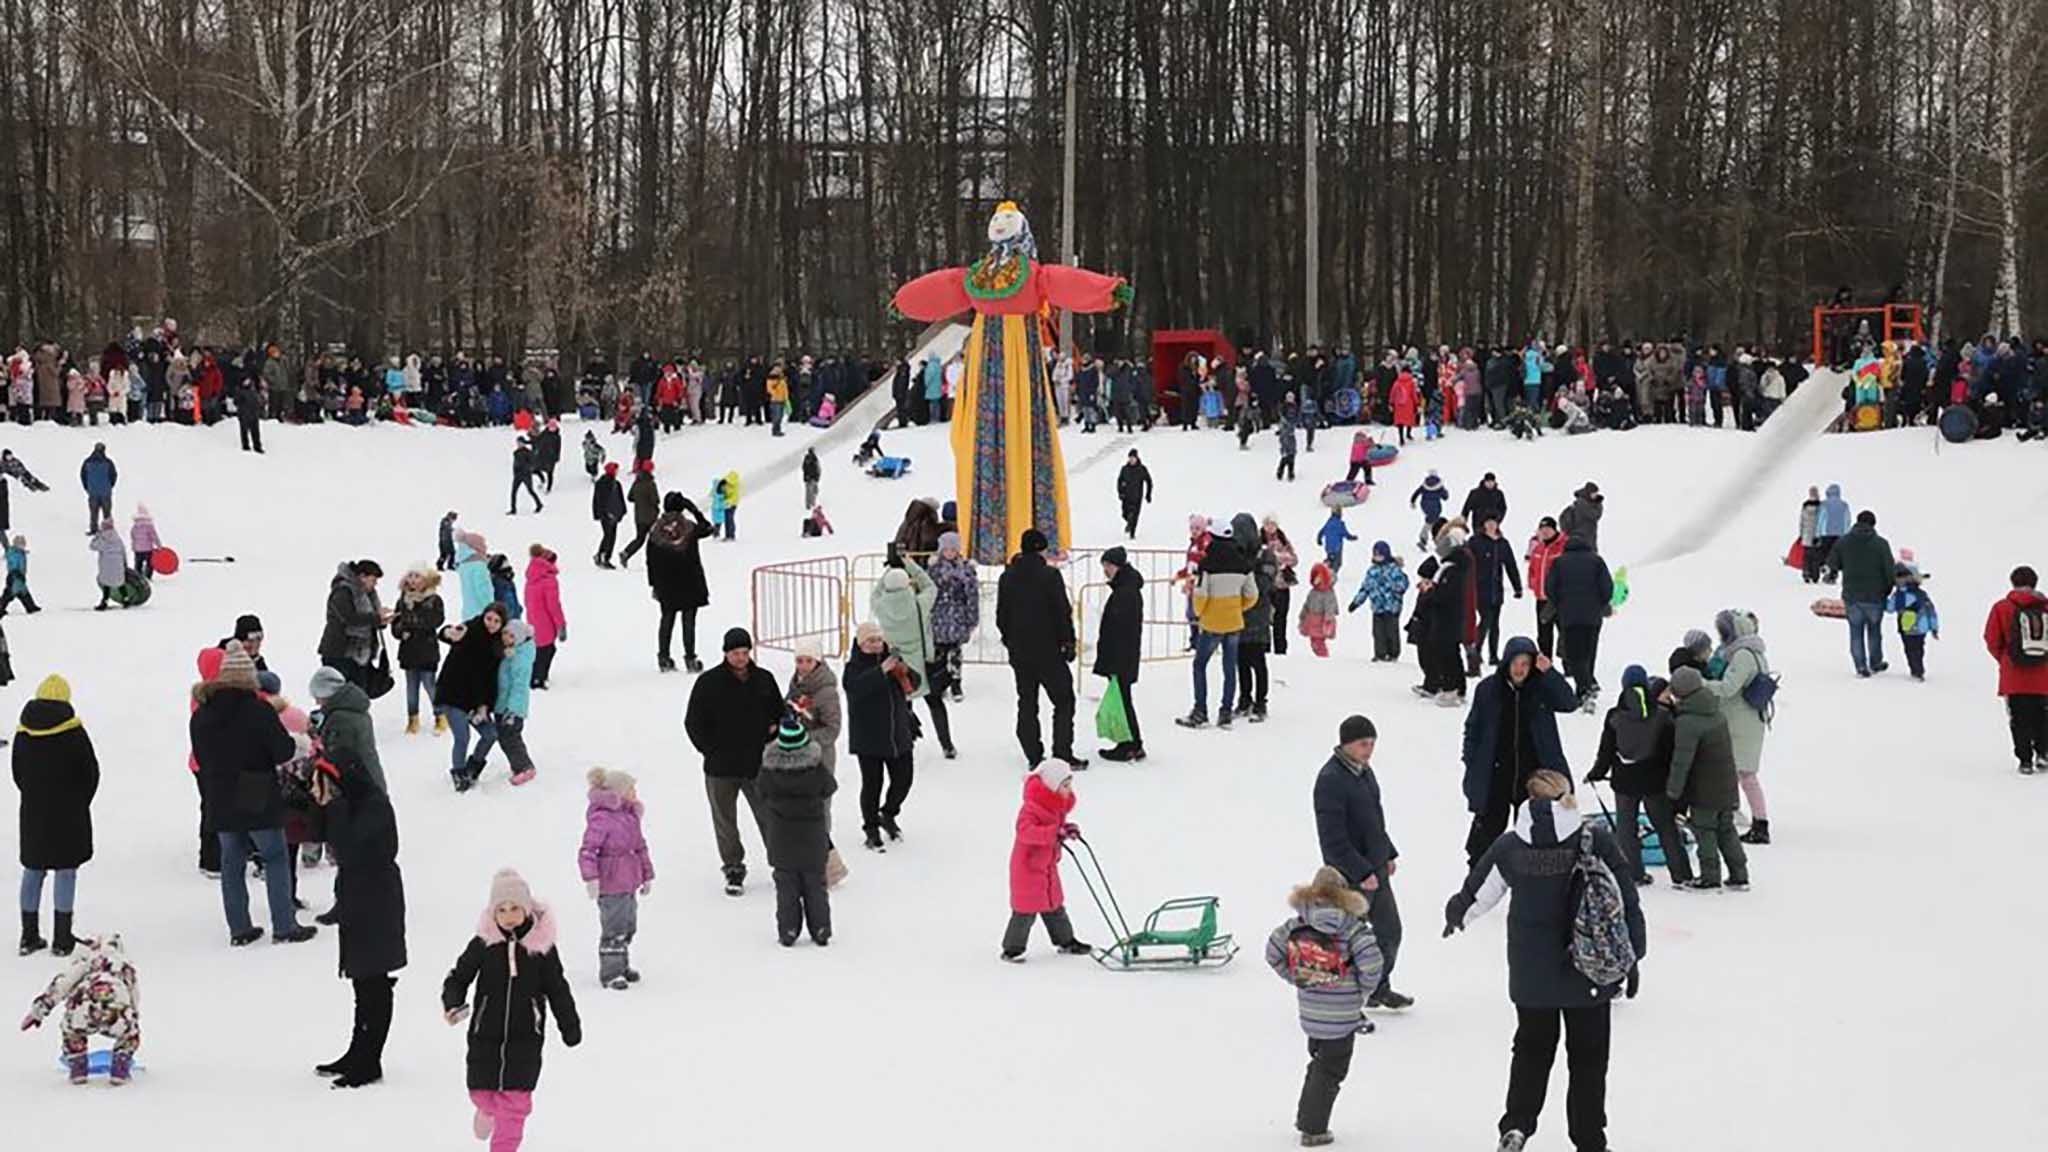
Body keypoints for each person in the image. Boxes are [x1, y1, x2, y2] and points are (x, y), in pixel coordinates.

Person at [1444, 769, 1645, 1152]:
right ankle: (1589, 1140)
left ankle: (1517, 1125)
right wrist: (1634, 953)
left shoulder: (1511, 846)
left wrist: (1456, 916)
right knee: (1587, 1059)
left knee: (1532, 1051)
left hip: (1531, 971)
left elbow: (1478, 893)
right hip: (1590, 966)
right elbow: (1624, 897)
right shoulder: (1594, 839)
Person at [441, 870, 581, 1152]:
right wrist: (453, 1001)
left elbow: (558, 989)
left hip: (525, 1039)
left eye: (515, 908)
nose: (508, 916)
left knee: (515, 1106)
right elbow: (458, 976)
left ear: (526, 908)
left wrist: (570, 1025)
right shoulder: (484, 943)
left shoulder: (541, 948)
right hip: (485, 1035)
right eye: (501, 910)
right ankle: (487, 1111)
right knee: (481, 1094)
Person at [192, 642, 315, 945]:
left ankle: (240, 929)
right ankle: (284, 926)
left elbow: (202, 757)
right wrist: (297, 742)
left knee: (231, 862)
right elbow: (281, 750)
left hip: (219, 791)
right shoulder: (257, 710)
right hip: (255, 788)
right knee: (274, 857)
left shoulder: (202, 714)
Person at [1264, 866, 1384, 1148]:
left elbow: (1272, 953)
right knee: (1331, 1071)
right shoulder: (1353, 927)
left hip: (1311, 1015)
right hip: (1342, 1017)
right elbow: (1373, 965)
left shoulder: (1297, 925)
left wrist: (1297, 979)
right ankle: (1313, 1129)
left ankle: (1307, 1116)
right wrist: (1360, 993)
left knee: (1320, 1063)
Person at [312, 747, 406, 1089]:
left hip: (376, 899)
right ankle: (358, 1051)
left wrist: (333, 807)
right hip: (359, 896)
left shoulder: (373, 805)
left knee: (374, 981)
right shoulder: (356, 802)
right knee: (362, 981)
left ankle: (370, 1060)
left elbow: (349, 847)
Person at [1313, 715, 1409, 1010]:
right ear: (1346, 744)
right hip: (1351, 877)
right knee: (1347, 943)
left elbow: (1373, 820)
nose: (1369, 750)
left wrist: (1388, 852)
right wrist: (1361, 871)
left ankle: (1377, 987)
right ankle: (1344, 999)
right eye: (1363, 744)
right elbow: (1332, 840)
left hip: (1376, 871)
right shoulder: (1330, 780)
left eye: (1372, 744)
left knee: (1390, 932)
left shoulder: (1364, 772)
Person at [1460, 637, 1577, 866]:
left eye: (1525, 664)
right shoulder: (1488, 689)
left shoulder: (1542, 688)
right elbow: (1473, 728)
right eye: (1515, 663)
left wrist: (1550, 672)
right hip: (1495, 773)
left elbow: (1569, 702)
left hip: (1533, 776)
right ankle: (1478, 877)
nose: (1519, 669)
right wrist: (1471, 761)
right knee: (1485, 835)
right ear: (1506, 663)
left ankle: (1529, 876)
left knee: (1533, 833)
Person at [683, 628, 782, 894]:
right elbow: (693, 723)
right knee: (725, 821)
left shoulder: (764, 679)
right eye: (735, 653)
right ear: (726, 653)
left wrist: (774, 733)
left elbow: (779, 714)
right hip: (720, 768)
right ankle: (733, 867)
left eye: (744, 652)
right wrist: (710, 750)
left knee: (769, 816)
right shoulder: (709, 682)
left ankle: (781, 864)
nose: (740, 658)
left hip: (757, 764)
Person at [14, 674, 98, 957]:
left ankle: (28, 934)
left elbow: (18, 773)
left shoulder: (23, 732)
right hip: (69, 811)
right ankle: (62, 937)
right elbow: (90, 773)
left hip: (34, 811)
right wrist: (79, 801)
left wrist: (33, 795)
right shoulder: (73, 732)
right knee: (65, 870)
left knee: (33, 869)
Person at [1586, 665, 1693, 886]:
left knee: (1626, 829)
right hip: (1654, 783)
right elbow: (1669, 753)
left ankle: (1634, 874)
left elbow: (1606, 751)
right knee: (1666, 828)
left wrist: (1596, 773)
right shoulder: (1663, 716)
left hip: (1624, 783)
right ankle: (1681, 875)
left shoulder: (1614, 716)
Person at [995, 528, 1081, 766]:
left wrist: (1009, 639)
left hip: (1020, 652)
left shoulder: (1007, 577)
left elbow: (1001, 616)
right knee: (1064, 701)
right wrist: (1068, 642)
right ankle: (1062, 753)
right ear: (1041, 549)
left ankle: (1033, 754)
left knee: (1027, 701)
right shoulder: (1050, 576)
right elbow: (1062, 612)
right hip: (1049, 651)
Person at [1664, 667, 1750, 891]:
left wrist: (1673, 792)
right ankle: (1739, 874)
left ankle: (1710, 877)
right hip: (1726, 784)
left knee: (1705, 831)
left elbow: (1681, 761)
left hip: (1705, 789)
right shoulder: (1715, 711)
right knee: (1726, 830)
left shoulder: (1688, 723)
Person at [1001, 758, 1091, 961]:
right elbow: (1026, 831)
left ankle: (1065, 940)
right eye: (1065, 785)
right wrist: (1054, 832)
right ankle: (1012, 949)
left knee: (1054, 906)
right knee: (1025, 911)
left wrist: (1067, 830)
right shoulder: (1032, 808)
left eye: (1070, 785)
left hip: (1047, 866)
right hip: (1027, 868)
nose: (1069, 790)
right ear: (1051, 786)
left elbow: (1056, 830)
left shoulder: (1055, 807)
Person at [757, 714, 835, 946]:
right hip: (812, 840)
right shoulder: (815, 770)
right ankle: (820, 929)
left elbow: (761, 793)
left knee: (786, 887)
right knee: (815, 886)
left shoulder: (769, 772)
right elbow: (830, 787)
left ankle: (788, 930)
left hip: (781, 840)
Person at [22, 932, 141, 1085]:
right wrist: (132, 1019)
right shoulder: (124, 965)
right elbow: (134, 995)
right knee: (129, 1033)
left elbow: (61, 985)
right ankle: (121, 1065)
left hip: (83, 1008)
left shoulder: (85, 961)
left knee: (71, 1029)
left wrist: (38, 1011)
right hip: (116, 1009)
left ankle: (78, 1065)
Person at [843, 622, 920, 851]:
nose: (876, 645)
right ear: (861, 644)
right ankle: (871, 828)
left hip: (898, 734)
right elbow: (855, 688)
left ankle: (888, 813)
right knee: (872, 785)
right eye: (870, 641)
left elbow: (915, 683)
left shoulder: (892, 660)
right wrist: (881, 671)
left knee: (904, 779)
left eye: (878, 640)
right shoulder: (854, 667)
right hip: (869, 738)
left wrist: (905, 671)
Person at [1180, 513, 1258, 729]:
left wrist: (1200, 613)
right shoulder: (1243, 564)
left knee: (1199, 665)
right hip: (1234, 623)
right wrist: (1236, 607)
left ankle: (1200, 711)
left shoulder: (1208, 564)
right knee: (1229, 668)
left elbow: (1201, 596)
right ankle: (1225, 713)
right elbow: (1252, 595)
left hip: (1212, 623)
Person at [578, 768, 655, 987]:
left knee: (628, 925)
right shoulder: (601, 818)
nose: (635, 792)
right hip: (611, 882)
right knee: (614, 927)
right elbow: (588, 850)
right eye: (631, 788)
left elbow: (640, 847)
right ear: (619, 792)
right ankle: (611, 973)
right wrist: (591, 878)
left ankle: (621, 964)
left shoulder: (630, 817)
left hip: (629, 880)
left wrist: (647, 875)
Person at [872, 556, 953, 757]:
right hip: (922, 662)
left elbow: (876, 592)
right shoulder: (918, 604)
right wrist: (908, 563)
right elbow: (930, 586)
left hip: (896, 663)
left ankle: (903, 745)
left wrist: (890, 570)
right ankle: (947, 745)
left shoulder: (880, 606)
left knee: (901, 705)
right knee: (935, 702)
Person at [1706, 609, 1774, 845]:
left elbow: (1728, 688)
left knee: (1743, 774)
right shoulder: (1754, 652)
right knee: (1740, 774)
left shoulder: (1742, 655)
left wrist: (1701, 684)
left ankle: (1756, 823)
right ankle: (1746, 819)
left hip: (1740, 723)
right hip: (1748, 720)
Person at [1983, 565, 2048, 775]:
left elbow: (1991, 639)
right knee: (2043, 716)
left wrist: (2005, 659)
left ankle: (2025, 760)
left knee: (2019, 719)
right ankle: (2044, 754)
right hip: (2044, 677)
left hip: (2014, 677)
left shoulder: (2002, 608)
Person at [435, 604, 506, 790]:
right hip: (453, 694)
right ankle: (459, 774)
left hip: (476, 700)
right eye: (489, 618)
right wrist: (448, 632)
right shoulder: (471, 630)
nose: (491, 624)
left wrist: (484, 706)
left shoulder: (497, 645)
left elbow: (490, 681)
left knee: (490, 734)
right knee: (462, 737)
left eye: (496, 621)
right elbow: (447, 634)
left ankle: (473, 768)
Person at [1822, 509, 1896, 677]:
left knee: (1855, 632)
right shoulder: (1881, 544)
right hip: (1875, 597)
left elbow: (1833, 562)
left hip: (1852, 596)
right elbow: (1889, 571)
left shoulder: (1844, 542)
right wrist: (1887, 589)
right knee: (1875, 631)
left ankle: (1860, 666)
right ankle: (1876, 662)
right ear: (1873, 524)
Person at [645, 492, 713, 673]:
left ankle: (664, 657)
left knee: (667, 619)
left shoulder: (656, 530)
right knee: (688, 621)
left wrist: (653, 584)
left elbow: (650, 560)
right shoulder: (689, 527)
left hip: (666, 584)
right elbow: (707, 528)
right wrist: (695, 510)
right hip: (690, 581)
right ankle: (690, 658)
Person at [1545, 533, 1613, 707]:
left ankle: (1584, 688)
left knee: (1575, 655)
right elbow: (1607, 587)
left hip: (1569, 616)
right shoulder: (1597, 561)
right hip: (1592, 616)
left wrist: (1561, 603)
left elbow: (1550, 588)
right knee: (1589, 652)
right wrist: (1600, 603)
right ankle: (1587, 685)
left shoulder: (1559, 563)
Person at [1093, 547, 1145, 761]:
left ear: (1115, 566)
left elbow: (1120, 629)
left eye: (1106, 566)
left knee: (1123, 701)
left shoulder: (1125, 592)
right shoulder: (1126, 588)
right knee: (1124, 699)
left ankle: (1131, 744)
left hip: (1121, 657)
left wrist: (1112, 660)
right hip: (1124, 656)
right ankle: (1130, 742)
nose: (1105, 571)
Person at [392, 568, 447, 735]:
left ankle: (441, 715)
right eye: (410, 575)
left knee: (430, 685)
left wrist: (411, 618)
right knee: (411, 687)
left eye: (418, 576)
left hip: (427, 650)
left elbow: (433, 621)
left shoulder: (433, 600)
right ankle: (412, 718)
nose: (413, 580)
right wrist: (401, 630)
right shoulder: (403, 600)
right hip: (408, 651)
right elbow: (395, 624)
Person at [1234, 514, 1278, 722]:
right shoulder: (1237, 554)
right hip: (1239, 614)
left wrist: (1248, 576)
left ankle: (1261, 702)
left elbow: (1266, 583)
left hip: (1258, 614)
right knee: (1241, 660)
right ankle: (1244, 698)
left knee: (1258, 661)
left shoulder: (1265, 555)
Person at [319, 560, 388, 689]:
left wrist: (381, 620)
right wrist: (376, 618)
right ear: (362, 577)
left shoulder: (369, 595)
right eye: (373, 580)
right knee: (337, 693)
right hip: (339, 651)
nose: (375, 584)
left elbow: (370, 619)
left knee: (358, 694)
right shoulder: (342, 590)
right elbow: (349, 617)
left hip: (361, 654)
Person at [927, 532, 978, 704]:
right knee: (938, 652)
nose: (949, 552)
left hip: (957, 616)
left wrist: (972, 617)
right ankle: (938, 682)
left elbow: (972, 596)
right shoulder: (933, 570)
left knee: (955, 652)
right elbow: (928, 593)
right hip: (939, 617)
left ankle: (956, 682)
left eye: (953, 549)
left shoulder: (965, 569)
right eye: (946, 549)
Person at [1468, 516, 1524, 668]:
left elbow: (1510, 565)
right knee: (1486, 619)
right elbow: (1467, 562)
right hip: (1480, 588)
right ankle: (1476, 651)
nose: (1492, 525)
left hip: (1496, 589)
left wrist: (1517, 586)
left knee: (1495, 623)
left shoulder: (1503, 543)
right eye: (1489, 522)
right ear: (1484, 524)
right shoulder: (1475, 542)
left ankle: (1493, 655)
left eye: (1494, 523)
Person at [491, 621, 540, 786]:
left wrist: (512, 710)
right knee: (505, 738)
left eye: (511, 636)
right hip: (502, 705)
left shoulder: (521, 659)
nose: (506, 637)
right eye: (505, 633)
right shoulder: (511, 653)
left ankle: (525, 767)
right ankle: (517, 764)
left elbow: (519, 686)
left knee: (511, 738)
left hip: (513, 708)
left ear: (519, 638)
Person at [1348, 542, 1409, 661]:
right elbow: (1365, 588)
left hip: (1391, 607)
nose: (1377, 558)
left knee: (1391, 632)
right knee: (1378, 632)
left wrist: (1395, 587)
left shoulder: (1394, 569)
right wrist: (1356, 602)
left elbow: (1403, 585)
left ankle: (1393, 653)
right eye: (1375, 555)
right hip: (1377, 607)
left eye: (1380, 555)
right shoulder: (1372, 571)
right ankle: (1380, 654)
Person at [1888, 559, 1939, 682]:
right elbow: (1930, 610)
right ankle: (1918, 669)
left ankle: (1916, 669)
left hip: (1907, 627)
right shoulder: (1921, 594)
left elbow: (1890, 608)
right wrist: (1934, 627)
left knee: (1910, 649)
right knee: (1919, 648)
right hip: (1921, 627)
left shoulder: (1899, 595)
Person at [1524, 517, 1567, 659]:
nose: (1545, 532)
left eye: (1548, 529)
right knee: (1543, 635)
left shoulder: (1563, 546)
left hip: (1559, 600)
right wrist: (1533, 583)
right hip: (1541, 598)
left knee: (1564, 632)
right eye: (1542, 529)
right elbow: (1532, 570)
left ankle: (1569, 666)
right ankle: (1545, 665)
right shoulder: (1538, 548)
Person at [524, 546, 566, 689]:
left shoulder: (532, 576)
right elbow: (554, 605)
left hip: (533, 619)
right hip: (545, 621)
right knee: (547, 650)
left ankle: (536, 676)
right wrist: (561, 624)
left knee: (540, 650)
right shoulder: (548, 580)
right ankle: (538, 679)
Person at [617, 462, 661, 567]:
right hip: (651, 516)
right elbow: (656, 500)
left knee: (640, 539)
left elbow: (630, 497)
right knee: (654, 540)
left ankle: (626, 552)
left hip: (639, 516)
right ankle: (653, 561)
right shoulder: (650, 483)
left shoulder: (637, 483)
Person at [1299, 561, 1340, 658]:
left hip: (1321, 621)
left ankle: (1323, 657)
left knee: (1318, 642)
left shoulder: (1327, 593)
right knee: (1314, 641)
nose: (1316, 580)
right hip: (1312, 619)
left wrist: (1328, 620)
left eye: (1319, 577)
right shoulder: (1313, 592)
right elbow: (1307, 604)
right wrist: (1303, 614)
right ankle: (1320, 656)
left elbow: (1329, 607)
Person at [591, 463, 626, 569]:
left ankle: (601, 555)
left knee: (609, 535)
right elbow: (600, 500)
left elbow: (597, 500)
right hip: (608, 514)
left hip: (608, 514)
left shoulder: (607, 483)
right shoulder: (609, 483)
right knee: (609, 536)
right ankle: (604, 557)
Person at [1814, 482, 1851, 581]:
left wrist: (1817, 533)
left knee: (1825, 553)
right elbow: (1847, 520)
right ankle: (1833, 574)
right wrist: (1846, 533)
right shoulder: (1844, 505)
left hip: (1826, 533)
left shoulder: (1824, 504)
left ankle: (1825, 569)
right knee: (1836, 555)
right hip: (1840, 534)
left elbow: (1820, 519)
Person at [89, 518, 126, 610]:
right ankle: (126, 598)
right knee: (120, 582)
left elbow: (93, 546)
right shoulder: (117, 538)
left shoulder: (103, 538)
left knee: (106, 583)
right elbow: (123, 551)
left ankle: (104, 601)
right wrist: (125, 563)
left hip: (106, 565)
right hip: (118, 563)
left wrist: (96, 536)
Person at [79, 443, 117, 534]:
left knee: (93, 512)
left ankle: (94, 529)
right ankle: (108, 530)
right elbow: (113, 475)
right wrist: (109, 486)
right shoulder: (108, 462)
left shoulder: (87, 462)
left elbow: (83, 476)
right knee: (107, 512)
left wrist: (87, 487)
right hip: (105, 491)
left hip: (93, 491)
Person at [1556, 481, 1603, 553]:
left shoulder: (1576, 505)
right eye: (1594, 493)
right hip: (1580, 539)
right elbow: (1594, 515)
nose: (1595, 495)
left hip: (1585, 539)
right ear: (1588, 493)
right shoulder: (1583, 506)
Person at [1116, 449, 1153, 538]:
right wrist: (1120, 492)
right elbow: (1119, 481)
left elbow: (1149, 481)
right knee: (1125, 514)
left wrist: (1148, 494)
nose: (1131, 460)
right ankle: (1129, 523)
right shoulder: (1124, 469)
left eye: (1133, 458)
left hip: (1137, 496)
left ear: (1137, 458)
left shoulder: (1142, 469)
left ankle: (1132, 534)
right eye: (1130, 458)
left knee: (1135, 515)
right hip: (1126, 496)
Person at [1, 533, 38, 615]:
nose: (23, 546)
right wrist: (16, 573)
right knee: (10, 593)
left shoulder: (20, 553)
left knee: (24, 592)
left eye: (24, 545)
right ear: (16, 545)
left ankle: (31, 606)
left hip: (20, 576)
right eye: (21, 544)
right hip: (15, 577)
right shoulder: (14, 553)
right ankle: (1, 607)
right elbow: (13, 564)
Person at [1315, 508, 1356, 576]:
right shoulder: (1340, 524)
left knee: (1331, 559)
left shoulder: (1328, 523)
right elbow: (1346, 534)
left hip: (1328, 547)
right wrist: (1352, 537)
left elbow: (1321, 531)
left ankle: (1326, 567)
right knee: (1338, 563)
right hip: (1337, 547)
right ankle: (1330, 574)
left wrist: (1319, 539)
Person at [1797, 487, 1824, 583]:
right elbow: (1822, 522)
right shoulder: (1821, 506)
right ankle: (1815, 575)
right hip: (1817, 535)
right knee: (1816, 557)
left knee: (1807, 556)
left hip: (1807, 534)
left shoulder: (1805, 505)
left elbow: (1802, 521)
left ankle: (1806, 573)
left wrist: (1801, 534)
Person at [129, 505, 160, 581]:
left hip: (137, 550)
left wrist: (133, 546)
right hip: (148, 549)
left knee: (138, 564)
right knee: (150, 563)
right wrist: (159, 545)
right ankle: (148, 576)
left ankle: (138, 576)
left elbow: (133, 537)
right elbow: (154, 536)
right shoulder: (149, 526)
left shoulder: (135, 527)